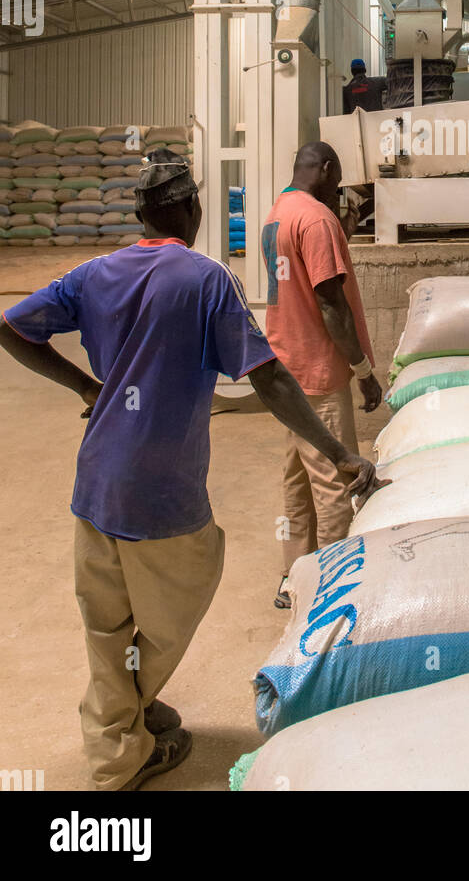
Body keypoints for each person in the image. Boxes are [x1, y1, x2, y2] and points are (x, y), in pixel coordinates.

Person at [0, 154, 380, 793]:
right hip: (161, 490)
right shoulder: (206, 278)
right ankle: (120, 744)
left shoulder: (94, 273)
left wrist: (89, 389)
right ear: (193, 212)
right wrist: (341, 452)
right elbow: (270, 378)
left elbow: (12, 327)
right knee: (193, 580)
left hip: (95, 482)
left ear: (142, 215)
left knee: (107, 621)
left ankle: (129, 724)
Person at [262, 142, 384, 611]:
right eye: (338, 178)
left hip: (286, 367)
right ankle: (330, 591)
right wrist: (362, 371)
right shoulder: (316, 220)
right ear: (329, 170)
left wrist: (346, 223)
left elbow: (303, 276)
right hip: (319, 371)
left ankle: (293, 578)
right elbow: (331, 304)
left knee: (297, 481)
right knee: (337, 479)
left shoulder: (279, 213)